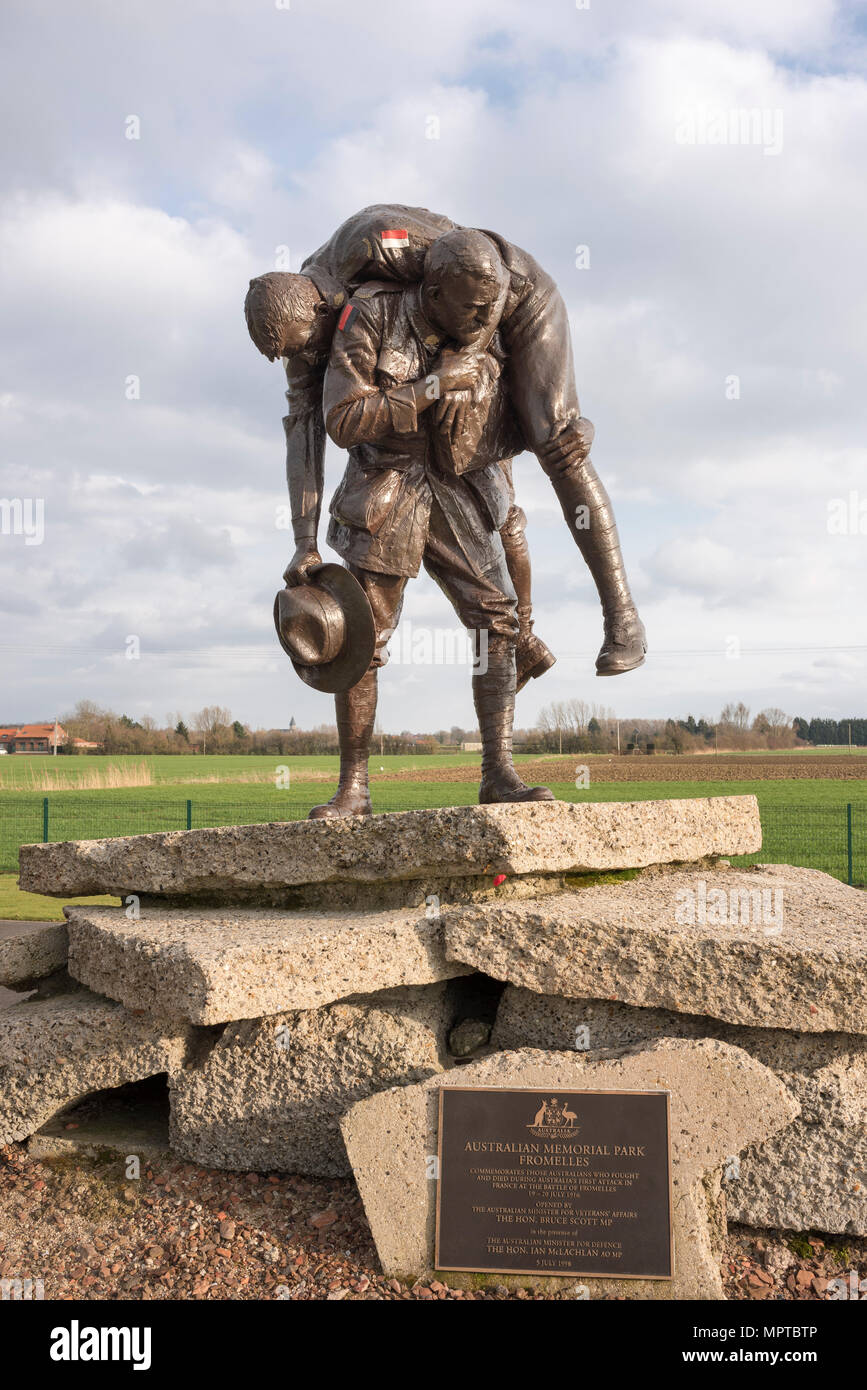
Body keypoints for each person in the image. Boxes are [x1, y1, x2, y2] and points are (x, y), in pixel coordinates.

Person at [305, 229, 555, 816]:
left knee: (497, 622)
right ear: (433, 289)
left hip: (463, 484)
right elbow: (341, 418)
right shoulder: (369, 316)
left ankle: (499, 773)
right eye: (470, 304)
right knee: (362, 639)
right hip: (386, 485)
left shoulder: (488, 327)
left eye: (488, 306)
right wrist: (430, 388)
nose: (481, 316)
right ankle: (354, 789)